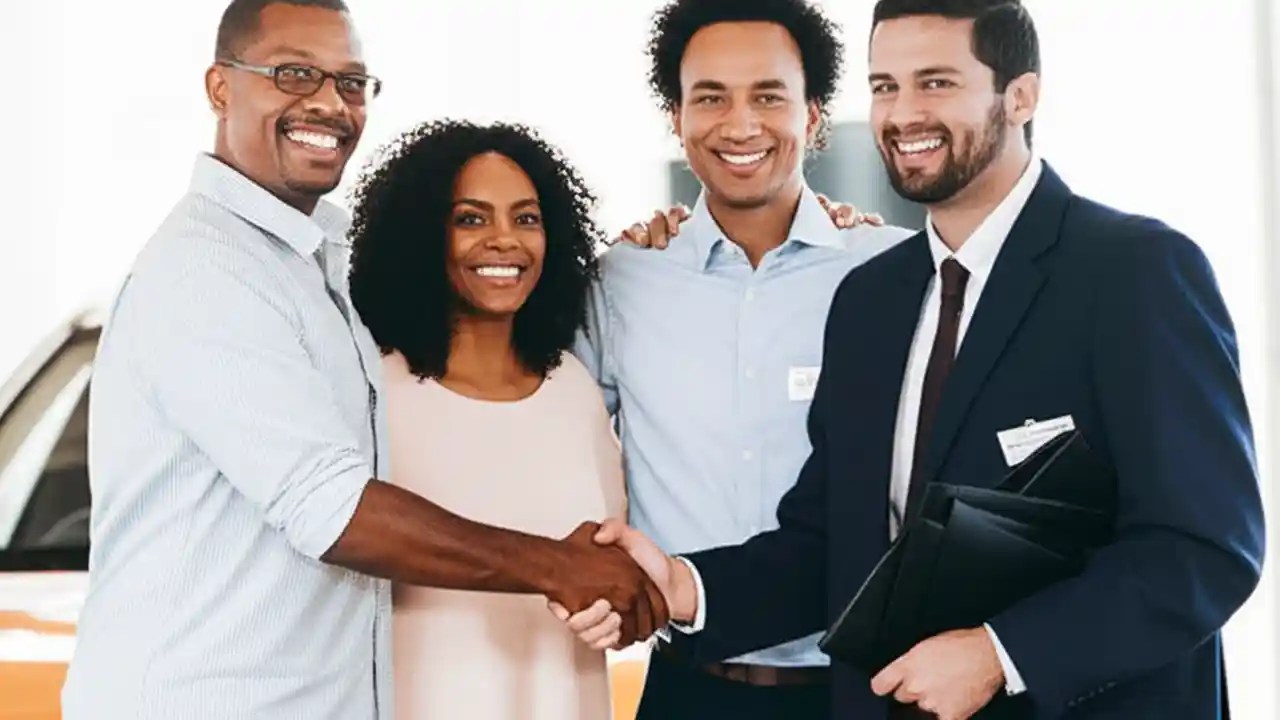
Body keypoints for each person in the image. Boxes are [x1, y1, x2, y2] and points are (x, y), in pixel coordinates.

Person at [565, 1, 1266, 719]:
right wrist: (683, 584)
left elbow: (1204, 549)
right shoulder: (870, 299)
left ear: (1020, 96)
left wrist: (1000, 655)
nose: (903, 114)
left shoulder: (1135, 270)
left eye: (936, 82)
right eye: (885, 87)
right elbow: (835, 543)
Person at [62, 2, 667, 718]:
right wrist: (557, 566)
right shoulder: (208, 270)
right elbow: (328, 504)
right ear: (220, 87)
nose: (329, 102)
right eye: (294, 74)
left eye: (351, 82)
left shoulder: (314, 265)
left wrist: (662, 250)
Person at [560, 1, 912, 718]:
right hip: (687, 686)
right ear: (677, 117)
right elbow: (550, 442)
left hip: (866, 689)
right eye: (711, 97)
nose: (740, 124)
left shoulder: (895, 272)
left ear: (813, 115)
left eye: (769, 96)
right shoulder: (623, 280)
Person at [344, 118, 630, 719]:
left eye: (526, 218)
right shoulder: (373, 392)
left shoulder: (573, 390)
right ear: (422, 235)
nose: (505, 240)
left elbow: (609, 573)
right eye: (470, 219)